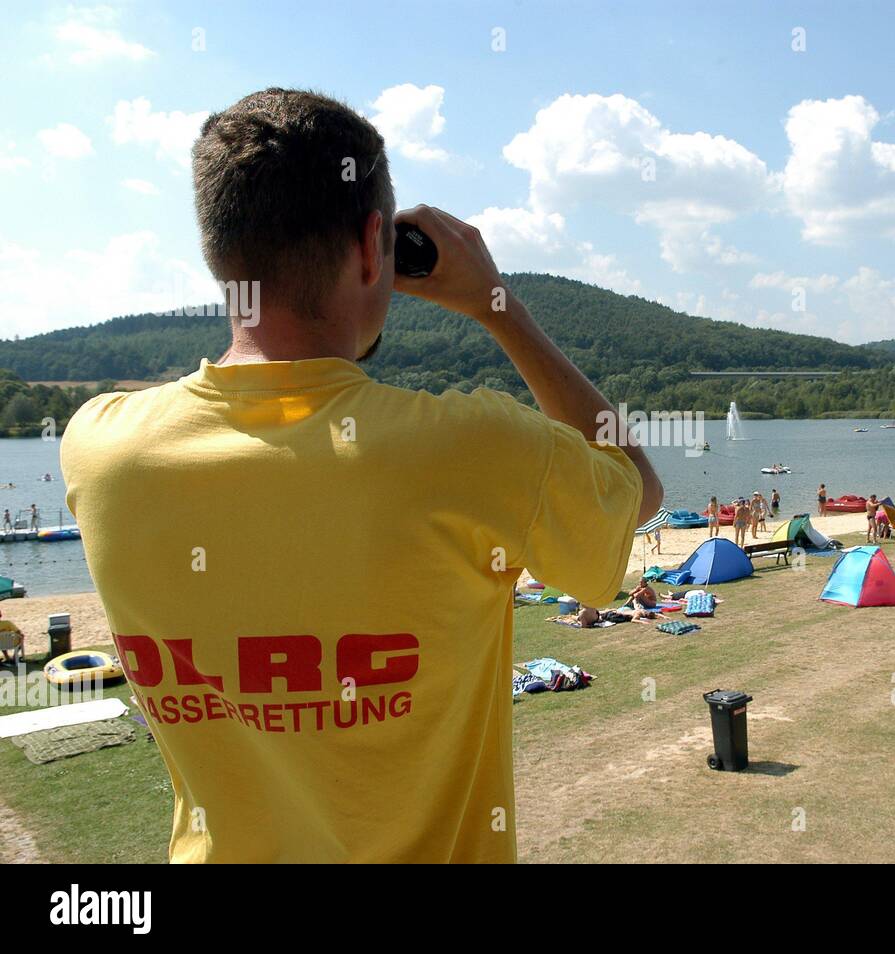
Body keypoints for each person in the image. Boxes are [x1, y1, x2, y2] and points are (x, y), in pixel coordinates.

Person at [58, 89, 662, 864]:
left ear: (217, 250)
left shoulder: (101, 449)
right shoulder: (474, 450)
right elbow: (637, 489)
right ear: (376, 244)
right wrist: (498, 306)